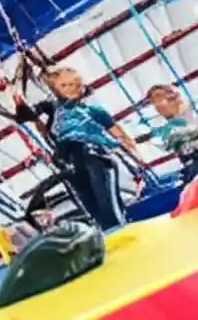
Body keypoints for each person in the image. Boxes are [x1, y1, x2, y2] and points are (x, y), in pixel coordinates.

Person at [38, 66, 143, 231]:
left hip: (92, 152)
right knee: (90, 205)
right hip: (68, 159)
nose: (73, 88)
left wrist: (136, 157)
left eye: (77, 83)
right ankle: (110, 231)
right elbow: (31, 117)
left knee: (106, 201)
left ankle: (117, 228)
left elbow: (120, 135)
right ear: (56, 89)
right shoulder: (53, 112)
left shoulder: (93, 110)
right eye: (65, 85)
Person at [146, 84, 198, 183]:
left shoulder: (187, 119)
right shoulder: (170, 128)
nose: (157, 106)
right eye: (153, 102)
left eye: (158, 98)